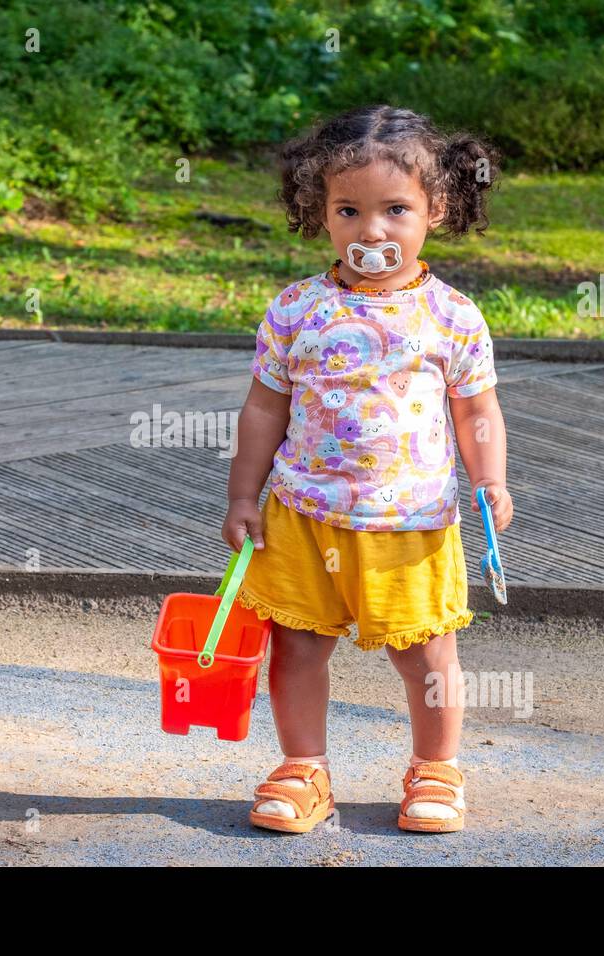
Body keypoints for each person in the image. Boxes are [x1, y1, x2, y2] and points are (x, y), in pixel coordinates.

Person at [221, 104, 514, 834]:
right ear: (319, 211)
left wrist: (491, 479)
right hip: (302, 513)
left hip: (409, 523)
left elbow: (476, 411)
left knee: (426, 656)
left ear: (436, 210)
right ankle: (303, 769)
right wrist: (242, 494)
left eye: (395, 210)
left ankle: (437, 768)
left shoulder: (452, 317)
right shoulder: (296, 310)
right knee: (294, 648)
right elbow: (264, 409)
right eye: (348, 210)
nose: (371, 231)